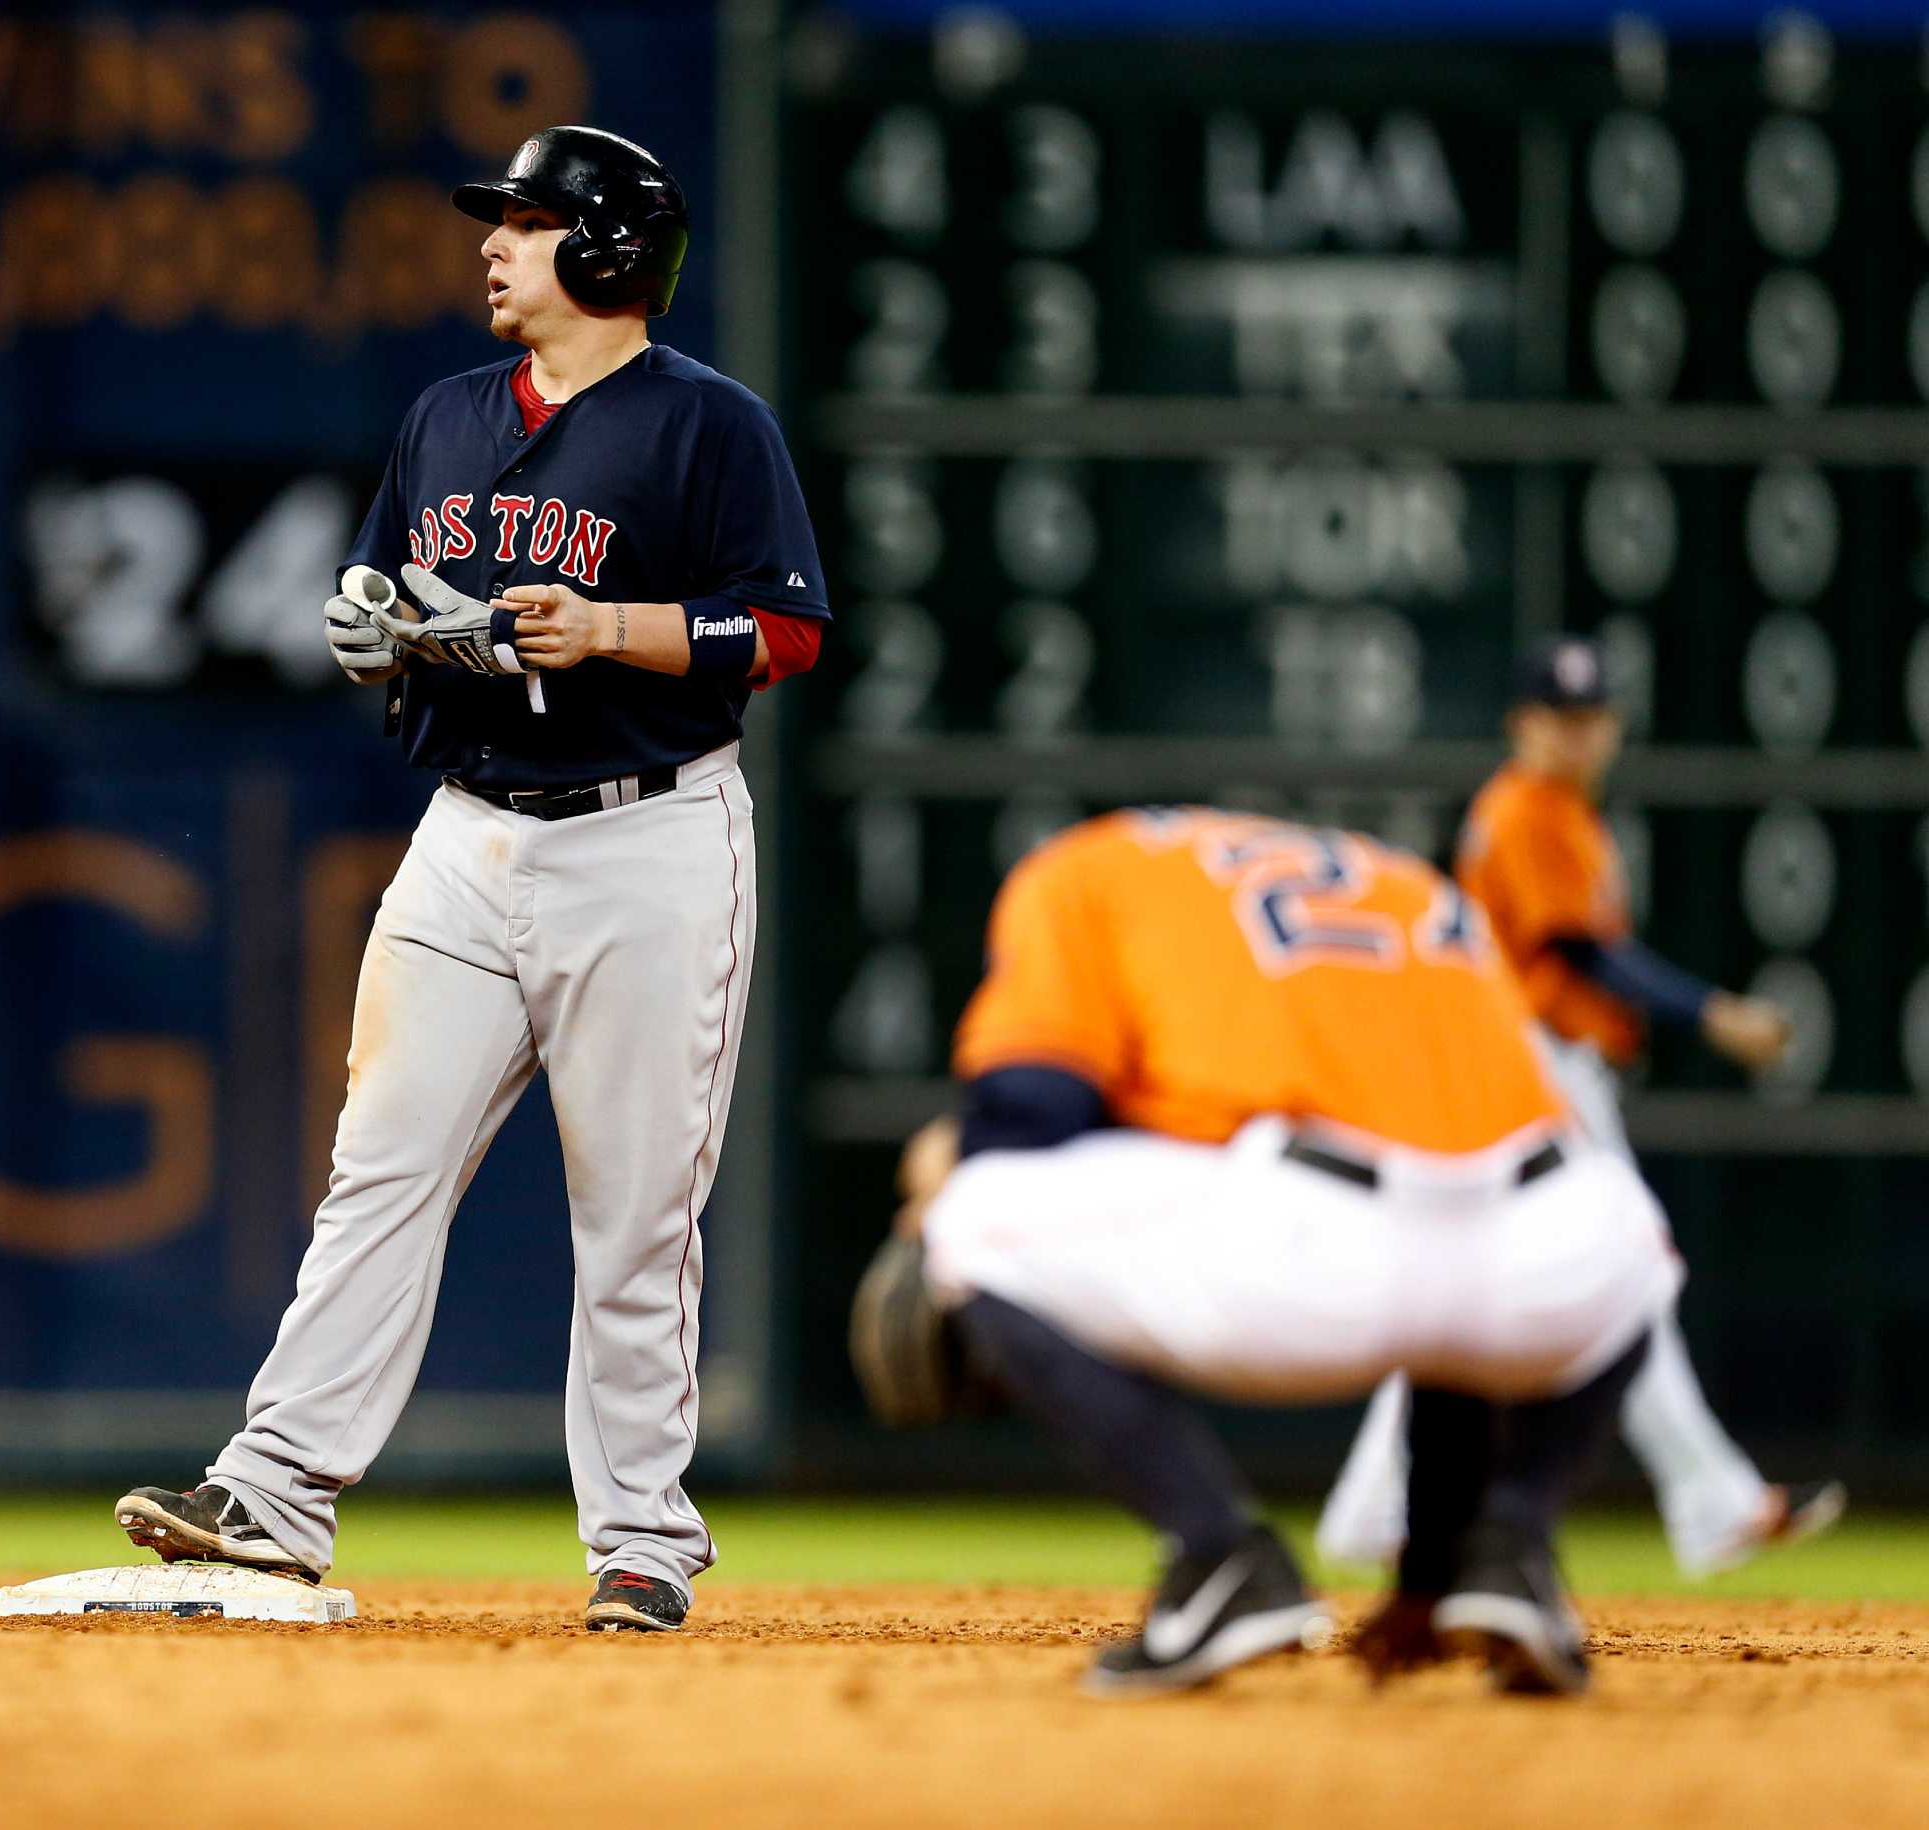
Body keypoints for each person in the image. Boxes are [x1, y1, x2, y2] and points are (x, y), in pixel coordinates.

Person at [113, 126, 828, 1633]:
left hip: (651, 837)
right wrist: (369, 625)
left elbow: (784, 632)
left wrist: (612, 628)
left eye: (525, 221)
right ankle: (277, 1484)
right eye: (498, 220)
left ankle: (642, 1535)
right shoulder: (443, 416)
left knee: (634, 1213)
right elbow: (381, 586)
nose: (493, 243)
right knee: (379, 1165)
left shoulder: (711, 425)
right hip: (469, 830)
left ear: (611, 253)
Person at [866, 806, 1681, 1697]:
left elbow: (1034, 1107)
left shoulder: (1082, 869)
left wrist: (950, 1161)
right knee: (1622, 1228)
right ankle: (1503, 1546)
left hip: (1313, 1258)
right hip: (1558, 1260)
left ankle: (1218, 1552)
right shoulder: (1402, 875)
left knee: (976, 1215)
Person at [1316, 637, 1843, 1579]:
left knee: (1475, 1277)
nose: (1578, 733)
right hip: (1536, 1068)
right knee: (1627, 1264)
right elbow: (1582, 954)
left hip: (1528, 1064)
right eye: (1559, 716)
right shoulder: (1523, 813)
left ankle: (1373, 1511)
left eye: (1590, 715)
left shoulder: (1557, 814)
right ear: (1523, 723)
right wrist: (1714, 1014)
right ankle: (1713, 1498)